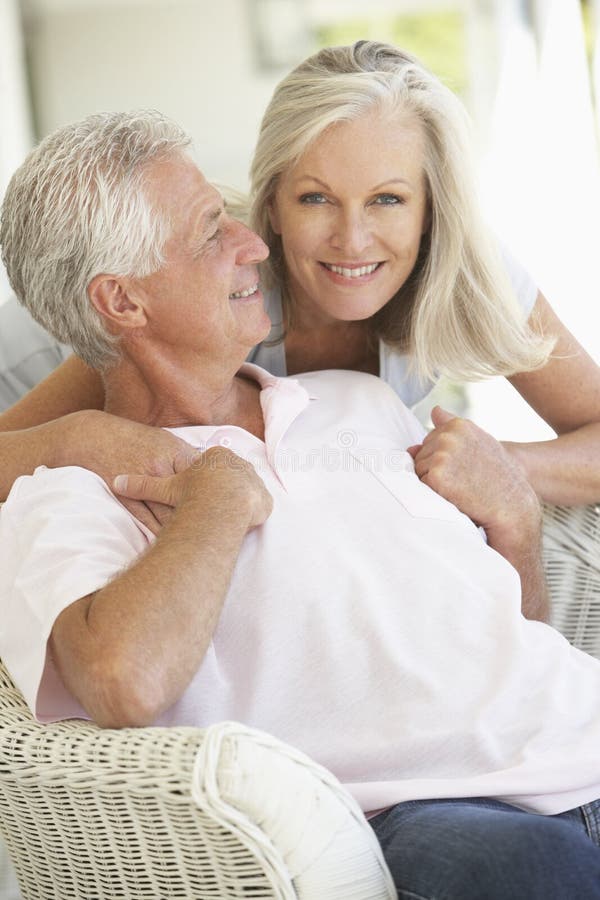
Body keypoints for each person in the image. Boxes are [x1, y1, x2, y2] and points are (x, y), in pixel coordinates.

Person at [2, 110, 600, 900]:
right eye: (212, 229)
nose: (254, 244)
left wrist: (516, 521)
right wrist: (217, 501)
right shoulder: (72, 492)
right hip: (443, 812)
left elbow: (501, 635)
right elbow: (122, 682)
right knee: (531, 870)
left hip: (575, 738)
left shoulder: (360, 401)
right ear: (124, 302)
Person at [1, 40, 599, 526]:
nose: (353, 240)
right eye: (316, 198)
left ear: (432, 209)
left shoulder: (470, 273)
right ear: (273, 205)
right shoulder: (205, 293)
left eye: (388, 199)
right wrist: (79, 439)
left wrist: (505, 466)